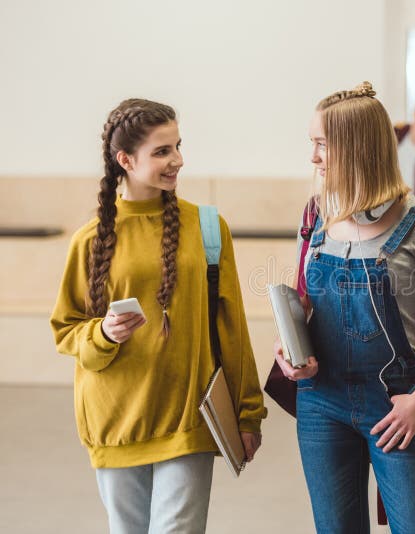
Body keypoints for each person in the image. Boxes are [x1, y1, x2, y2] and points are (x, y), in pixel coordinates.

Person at [50, 99, 266, 534]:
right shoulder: (89, 241)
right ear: (125, 160)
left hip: (188, 417)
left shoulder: (207, 228)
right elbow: (67, 331)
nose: (178, 161)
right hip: (114, 422)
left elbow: (233, 328)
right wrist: (104, 334)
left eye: (178, 147)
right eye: (162, 151)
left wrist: (248, 413)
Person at [273, 82, 415, 534]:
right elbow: (302, 300)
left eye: (321, 145)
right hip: (320, 404)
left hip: (396, 404)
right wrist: (289, 349)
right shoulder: (315, 215)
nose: (314, 157)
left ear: (355, 148)